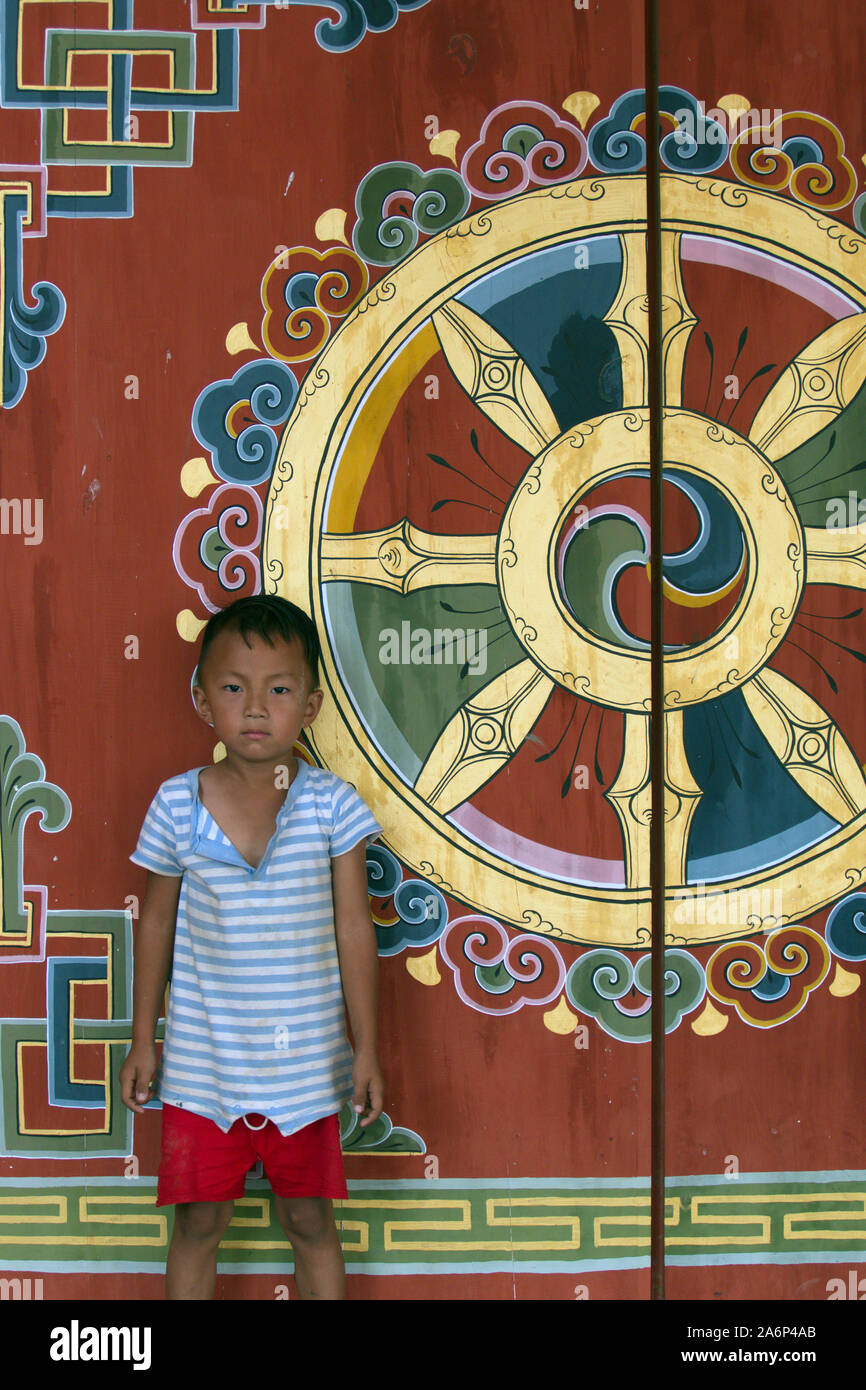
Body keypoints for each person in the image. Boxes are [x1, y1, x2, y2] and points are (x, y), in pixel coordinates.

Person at [119, 594, 384, 1300]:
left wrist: (367, 1049)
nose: (257, 708)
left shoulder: (333, 807)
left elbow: (355, 930)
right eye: (234, 688)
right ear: (203, 699)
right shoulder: (177, 805)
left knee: (309, 1221)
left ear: (313, 704)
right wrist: (143, 1038)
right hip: (204, 1067)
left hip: (306, 1066)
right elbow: (155, 925)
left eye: (280, 689)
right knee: (199, 1224)